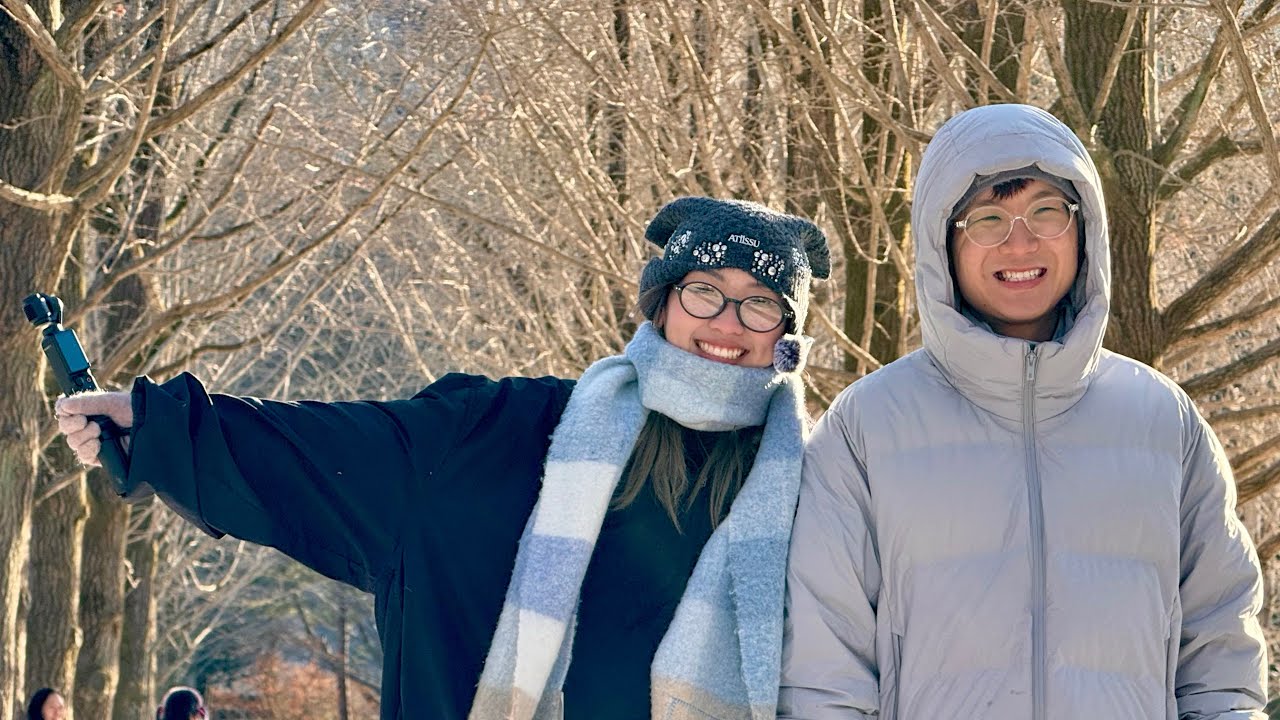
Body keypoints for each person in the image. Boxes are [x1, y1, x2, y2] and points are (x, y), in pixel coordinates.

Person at [56, 196, 831, 720]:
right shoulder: (506, 435)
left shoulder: (817, 486)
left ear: (784, 332)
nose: (727, 320)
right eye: (703, 290)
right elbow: (339, 450)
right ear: (661, 303)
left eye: (760, 300)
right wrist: (156, 425)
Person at [779, 103, 1268, 719]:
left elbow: (1221, 652)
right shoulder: (866, 429)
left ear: (1083, 226)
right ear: (942, 242)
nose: (1020, 241)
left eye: (1046, 211)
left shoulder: (1163, 422)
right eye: (987, 218)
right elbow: (824, 676)